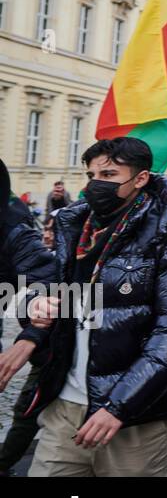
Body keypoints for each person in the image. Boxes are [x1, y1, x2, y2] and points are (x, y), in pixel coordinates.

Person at [16, 137, 167, 477]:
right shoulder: (76, 230)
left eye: (109, 174)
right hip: (67, 406)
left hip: (137, 418)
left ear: (141, 178)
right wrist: (37, 304)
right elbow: (61, 292)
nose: (96, 184)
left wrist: (118, 406)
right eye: (91, 175)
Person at [0, 161, 58, 476]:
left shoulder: (12, 226)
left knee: (27, 412)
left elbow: (45, 281)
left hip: (52, 356)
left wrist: (30, 336)